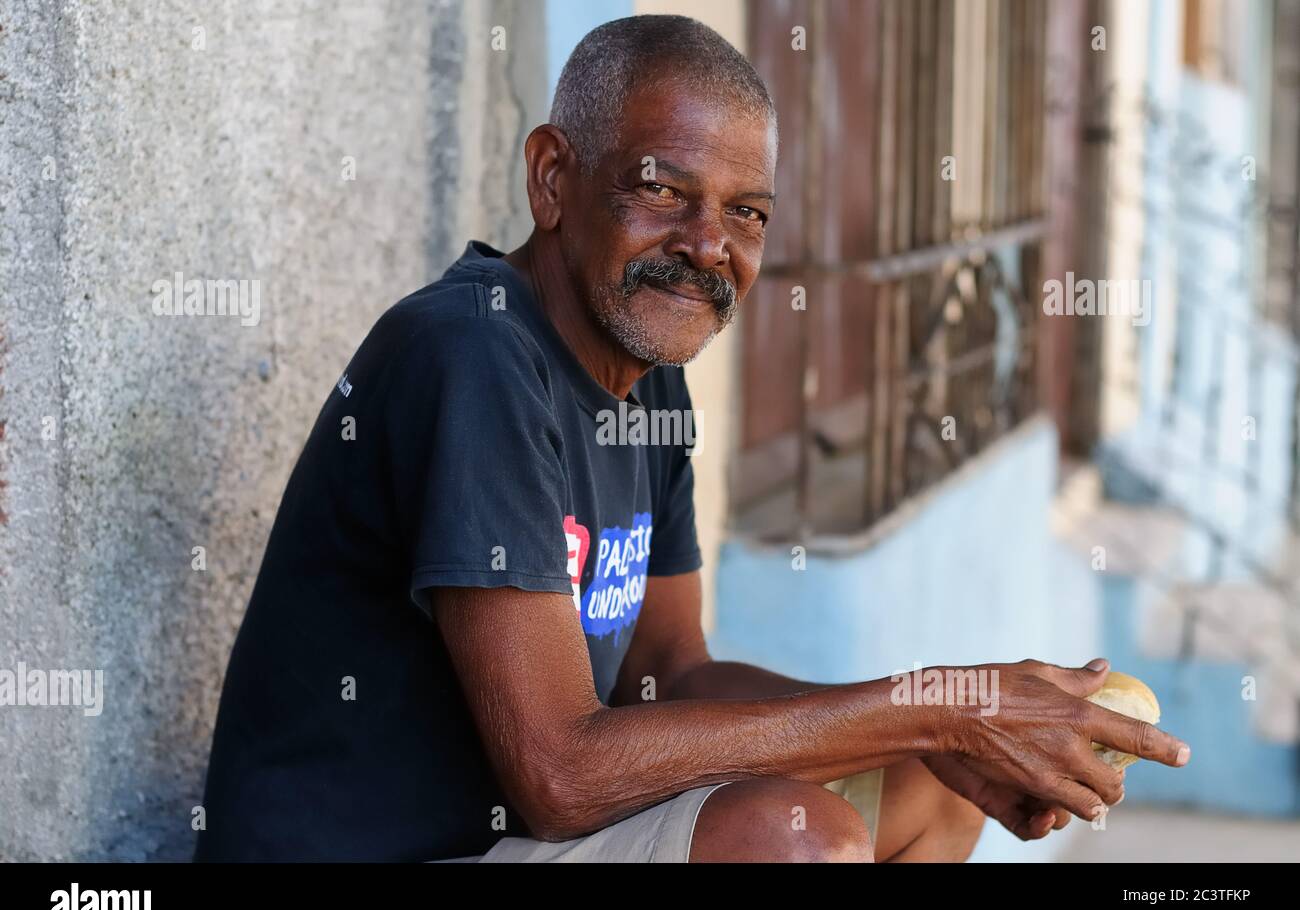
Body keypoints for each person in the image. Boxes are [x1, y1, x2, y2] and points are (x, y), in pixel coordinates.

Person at [194, 14, 1189, 863]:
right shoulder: (472, 355)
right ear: (552, 177)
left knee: (930, 785)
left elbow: (671, 677)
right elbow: (559, 772)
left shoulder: (647, 375)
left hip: (505, 842)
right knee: (788, 835)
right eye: (662, 190)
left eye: (745, 212)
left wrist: (943, 731)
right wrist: (941, 702)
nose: (709, 245)